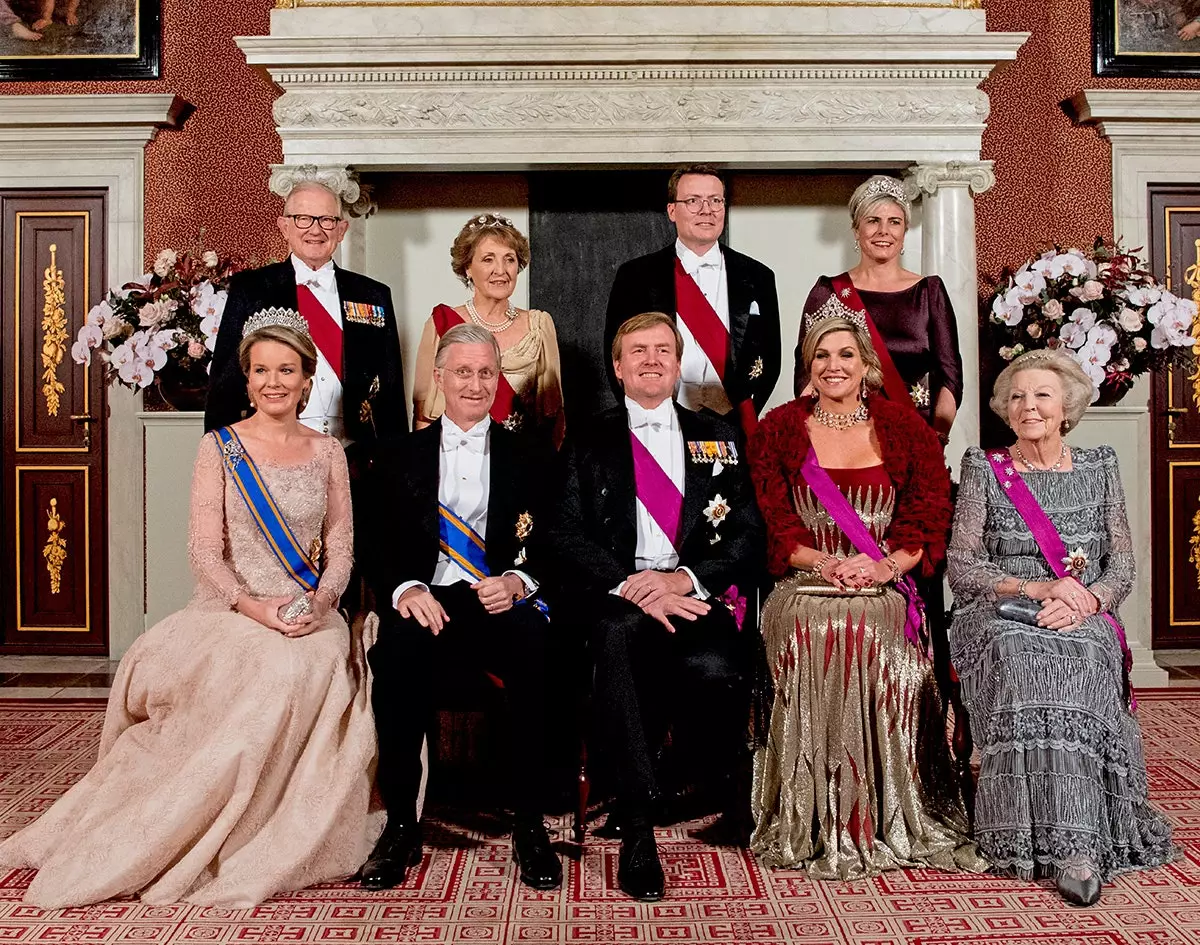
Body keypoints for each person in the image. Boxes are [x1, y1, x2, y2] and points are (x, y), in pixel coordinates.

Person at [0, 311, 381, 907]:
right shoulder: (219, 447)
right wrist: (255, 610)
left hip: (311, 610)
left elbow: (342, 548)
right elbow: (205, 551)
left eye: (287, 370)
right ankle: (185, 820)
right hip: (231, 611)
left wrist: (322, 601)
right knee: (265, 672)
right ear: (246, 377)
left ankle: (259, 826)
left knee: (315, 665)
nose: (273, 382)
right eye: (261, 371)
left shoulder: (329, 451)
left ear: (309, 379)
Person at [747, 313, 983, 880]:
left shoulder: (906, 429)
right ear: (808, 366)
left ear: (866, 366)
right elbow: (773, 525)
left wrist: (882, 566)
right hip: (804, 580)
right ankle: (810, 816)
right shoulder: (777, 429)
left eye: (846, 355)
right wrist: (825, 561)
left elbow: (927, 519)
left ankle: (891, 811)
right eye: (822, 355)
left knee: (874, 626)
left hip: (884, 580)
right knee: (813, 625)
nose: (834, 366)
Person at [547, 312, 764, 902]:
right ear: (617, 368)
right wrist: (630, 583)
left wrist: (685, 580)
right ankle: (638, 825)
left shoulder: (716, 433)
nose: (650, 359)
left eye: (662, 350)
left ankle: (720, 788)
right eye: (636, 350)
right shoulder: (588, 437)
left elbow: (746, 536)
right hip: (620, 599)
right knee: (617, 642)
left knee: (724, 665)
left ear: (677, 363)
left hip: (692, 597)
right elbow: (561, 532)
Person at [947, 350, 1175, 907]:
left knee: (1080, 657)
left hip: (1084, 610)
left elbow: (1121, 564)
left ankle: (1078, 846)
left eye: (1042, 395)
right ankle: (1031, 834)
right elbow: (963, 564)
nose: (1029, 406)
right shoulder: (985, 468)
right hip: (1002, 609)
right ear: (1005, 408)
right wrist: (1037, 589)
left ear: (1067, 405)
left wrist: (1088, 600)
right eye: (1018, 396)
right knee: (1022, 655)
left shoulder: (1099, 465)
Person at [360, 323, 560, 893]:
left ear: (499, 380)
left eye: (486, 373)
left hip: (497, 596)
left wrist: (520, 582)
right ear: (439, 377)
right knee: (394, 658)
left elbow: (556, 539)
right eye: (463, 372)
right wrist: (403, 589)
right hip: (429, 599)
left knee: (537, 651)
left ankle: (529, 821)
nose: (475, 384)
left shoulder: (532, 453)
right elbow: (374, 540)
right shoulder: (399, 454)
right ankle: (401, 825)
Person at [795, 174, 965, 719]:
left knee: (916, 580)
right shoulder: (829, 292)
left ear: (906, 227)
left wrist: (927, 444)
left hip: (912, 455)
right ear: (856, 228)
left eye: (894, 221)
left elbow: (949, 376)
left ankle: (922, 708)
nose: (884, 231)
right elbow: (813, 374)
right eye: (873, 221)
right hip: (846, 454)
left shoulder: (929, 291)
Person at [205, 174, 406, 449]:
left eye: (326, 220)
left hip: (356, 458)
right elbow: (224, 387)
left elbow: (391, 393)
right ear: (284, 227)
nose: (316, 230)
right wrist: (223, 457)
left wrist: (399, 468)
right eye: (303, 218)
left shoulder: (373, 295)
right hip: (271, 450)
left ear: (342, 229)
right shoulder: (251, 289)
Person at [604, 165, 780, 434]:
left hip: (733, 424)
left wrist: (742, 414)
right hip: (659, 422)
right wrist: (644, 413)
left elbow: (772, 358)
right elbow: (614, 355)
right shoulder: (636, 275)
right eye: (693, 201)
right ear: (672, 210)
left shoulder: (759, 276)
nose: (706, 210)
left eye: (715, 201)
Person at [413, 213, 565, 448]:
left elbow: (554, 420)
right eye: (488, 259)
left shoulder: (539, 326)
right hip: (454, 455)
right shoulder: (441, 323)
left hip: (521, 463)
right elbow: (424, 416)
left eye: (509, 259)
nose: (500, 270)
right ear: (467, 269)